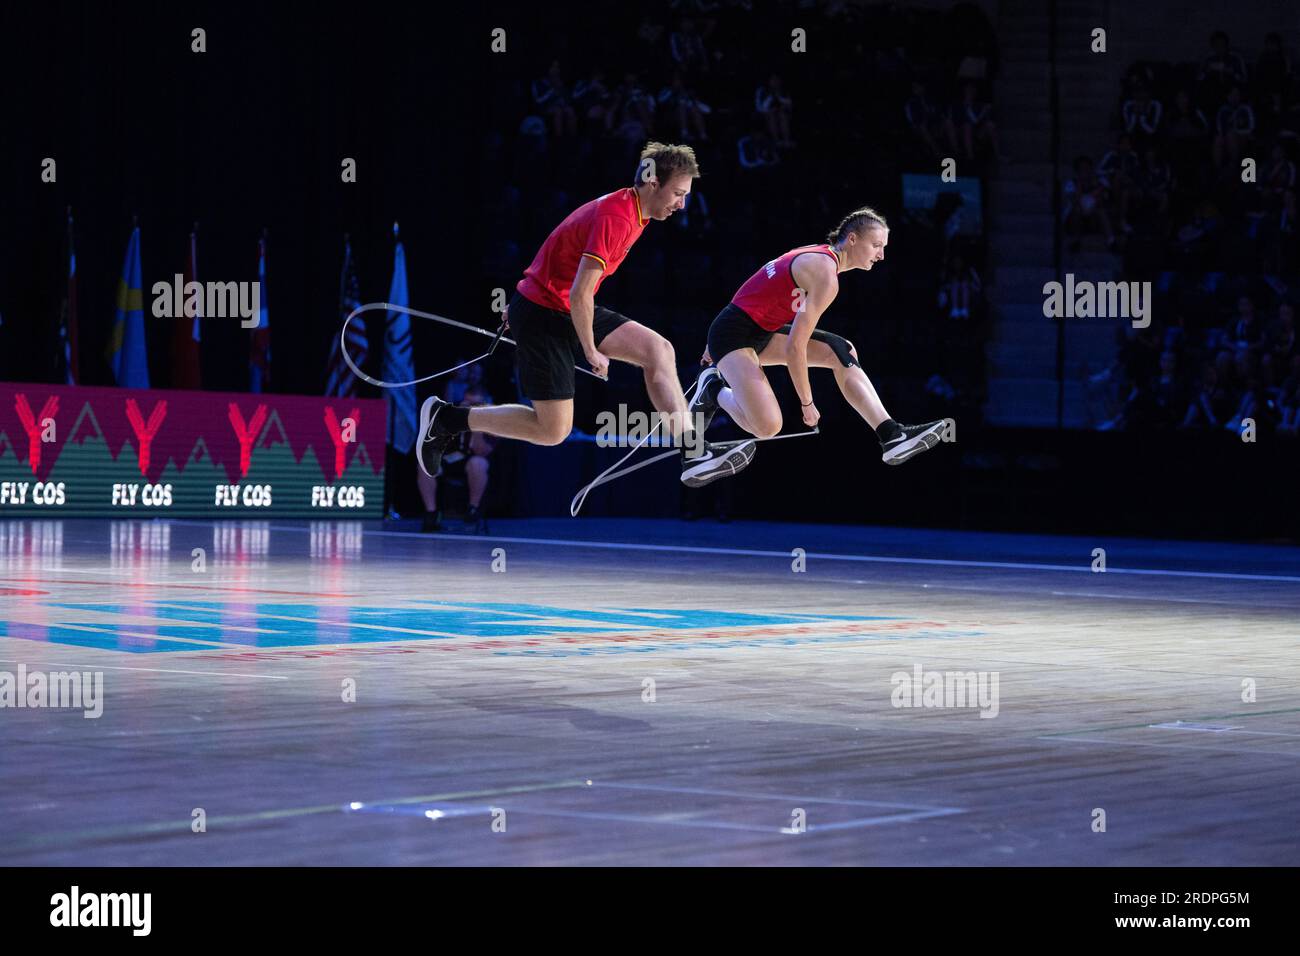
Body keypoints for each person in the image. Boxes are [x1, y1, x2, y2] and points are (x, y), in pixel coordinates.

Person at [418, 142, 756, 488]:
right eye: (678, 193)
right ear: (653, 183)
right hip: (544, 314)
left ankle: (692, 451)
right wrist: (589, 349)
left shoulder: (634, 210)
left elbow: (562, 242)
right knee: (553, 430)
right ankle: (447, 419)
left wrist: (527, 289)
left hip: (558, 305)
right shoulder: (618, 217)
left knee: (659, 351)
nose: (682, 204)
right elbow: (580, 292)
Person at [684, 207, 951, 482]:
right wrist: (807, 403)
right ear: (852, 239)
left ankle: (891, 434)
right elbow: (794, 349)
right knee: (767, 426)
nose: (881, 255)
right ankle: (712, 388)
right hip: (733, 336)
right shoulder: (826, 275)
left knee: (841, 350)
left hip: (760, 330)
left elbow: (758, 281)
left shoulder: (818, 254)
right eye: (876, 245)